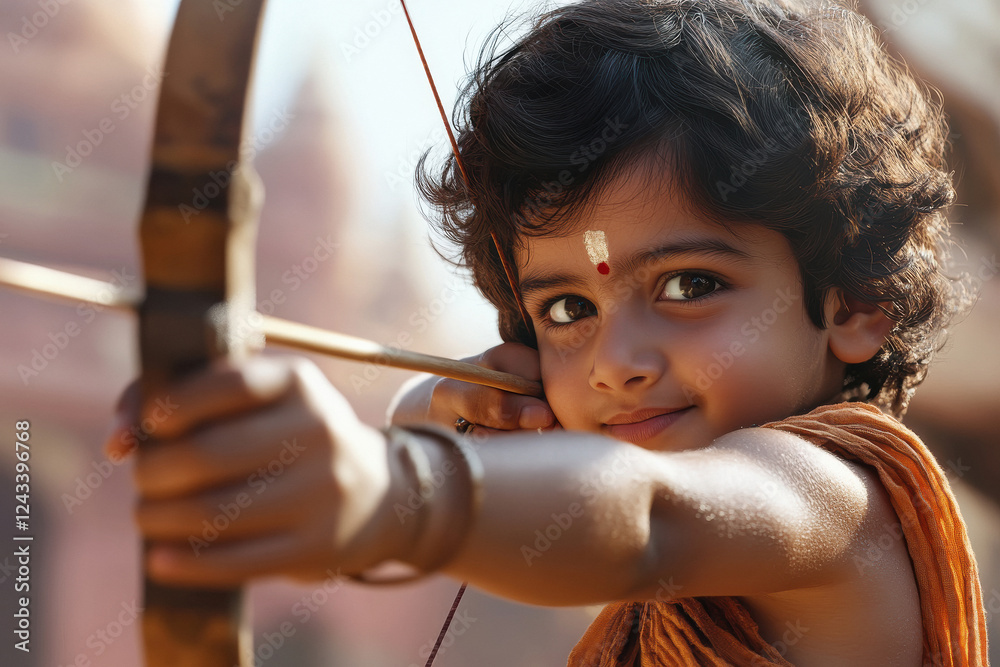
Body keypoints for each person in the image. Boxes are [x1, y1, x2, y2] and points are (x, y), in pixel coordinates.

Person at [107, 0, 988, 663]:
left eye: (690, 285)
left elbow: (646, 519)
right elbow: (458, 443)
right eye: (568, 310)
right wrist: (432, 415)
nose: (616, 364)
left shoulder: (836, 495)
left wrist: (391, 492)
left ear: (856, 301)